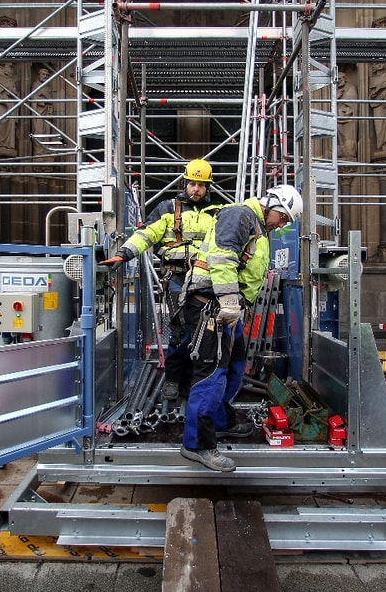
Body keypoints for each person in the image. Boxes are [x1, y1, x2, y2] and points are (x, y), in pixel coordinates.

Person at [179, 184, 303, 473]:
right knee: (210, 376)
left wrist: (234, 307)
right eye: (282, 218)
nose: (282, 225)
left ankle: (220, 423)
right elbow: (222, 258)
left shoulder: (258, 227)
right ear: (271, 203)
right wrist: (230, 302)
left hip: (226, 310)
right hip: (213, 306)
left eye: (286, 222)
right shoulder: (240, 215)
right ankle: (197, 445)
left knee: (234, 368)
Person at [99, 159, 225, 400]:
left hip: (208, 281)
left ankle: (194, 383)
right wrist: (124, 253)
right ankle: (173, 379)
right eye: (192, 184)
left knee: (204, 333)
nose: (195, 189)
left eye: (200, 185)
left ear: (208, 187)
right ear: (185, 183)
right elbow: (146, 234)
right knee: (180, 331)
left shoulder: (218, 213)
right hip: (177, 277)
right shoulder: (168, 208)